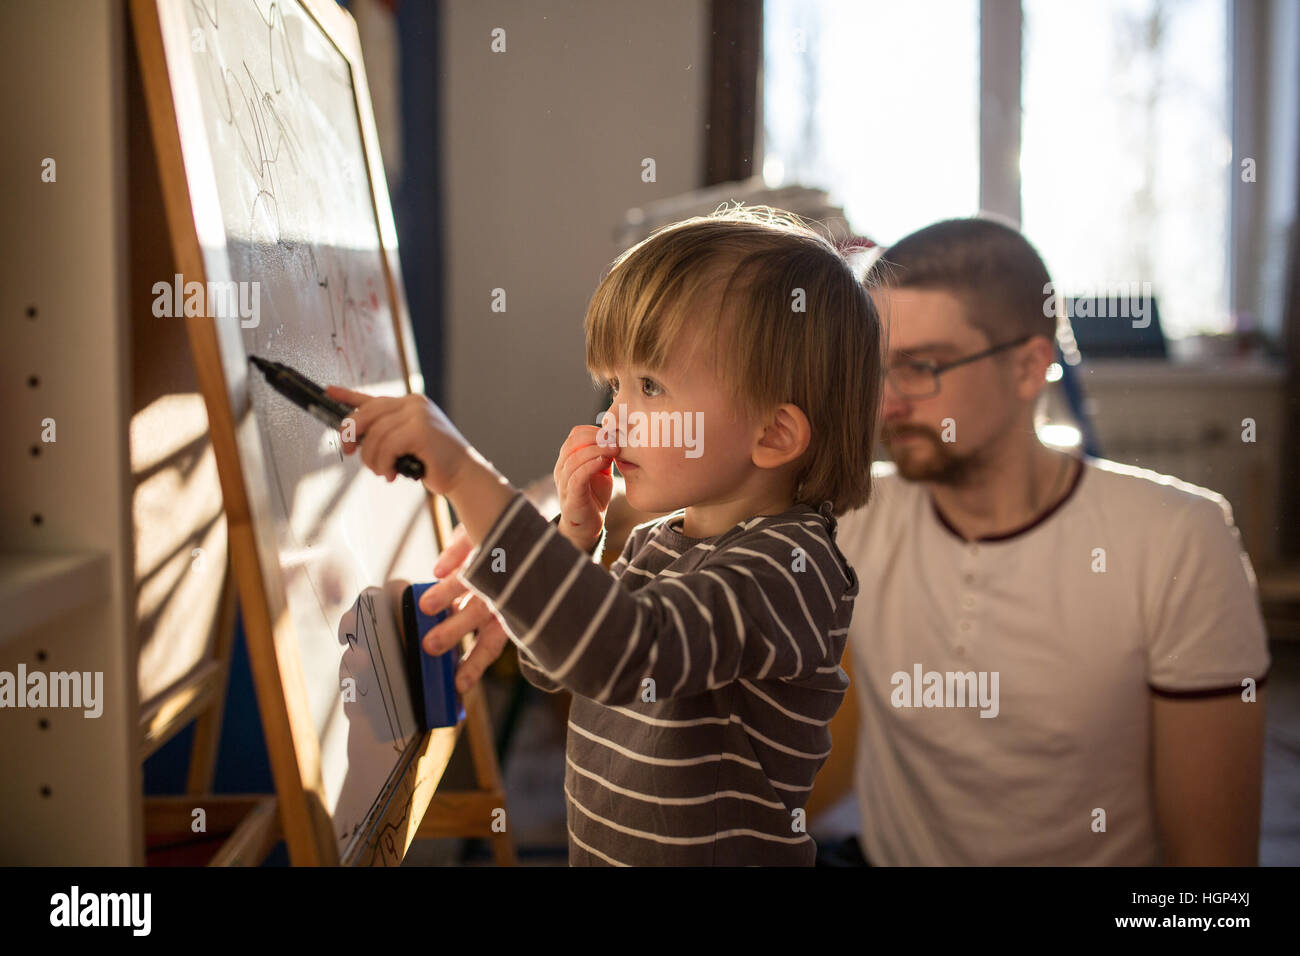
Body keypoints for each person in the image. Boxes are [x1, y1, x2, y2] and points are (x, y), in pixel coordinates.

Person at [328, 205, 883, 865]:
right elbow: (555, 662)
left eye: (650, 387)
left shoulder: (789, 570)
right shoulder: (665, 541)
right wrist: (576, 535)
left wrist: (465, 476)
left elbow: (618, 654)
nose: (615, 420)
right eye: (615, 386)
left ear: (774, 434)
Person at [821, 217, 1271, 865]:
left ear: (1029, 367)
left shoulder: (1177, 539)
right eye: (874, 368)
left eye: (921, 367)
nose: (886, 403)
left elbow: (1214, 867)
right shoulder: (854, 513)